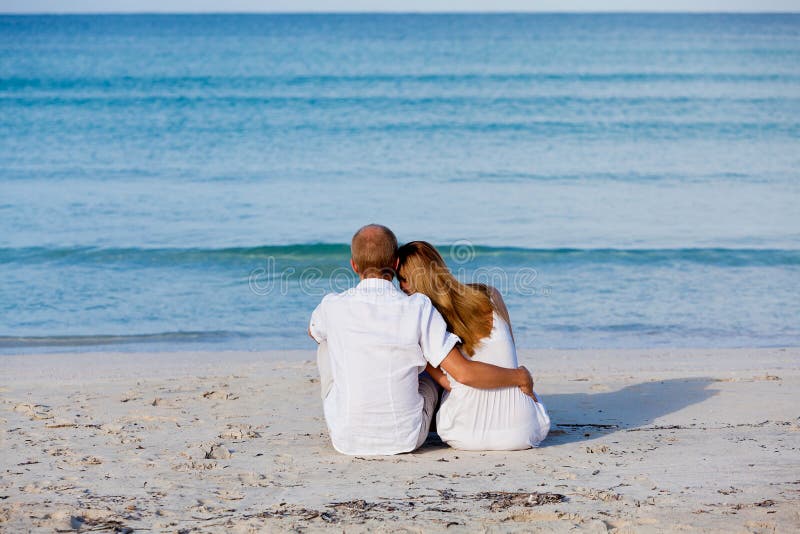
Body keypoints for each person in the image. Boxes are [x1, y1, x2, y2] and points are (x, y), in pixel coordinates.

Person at [308, 224, 535, 456]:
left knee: (325, 343)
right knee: (425, 353)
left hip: (347, 439)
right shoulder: (419, 307)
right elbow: (462, 372)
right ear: (396, 264)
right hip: (405, 438)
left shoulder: (331, 305)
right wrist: (518, 376)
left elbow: (312, 332)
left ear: (354, 265)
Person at [397, 241, 550, 450]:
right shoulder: (490, 294)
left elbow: (452, 382)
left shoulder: (424, 318)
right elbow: (509, 354)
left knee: (422, 372)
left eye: (402, 280)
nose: (400, 288)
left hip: (465, 435)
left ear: (413, 280)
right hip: (522, 432)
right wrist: (520, 376)